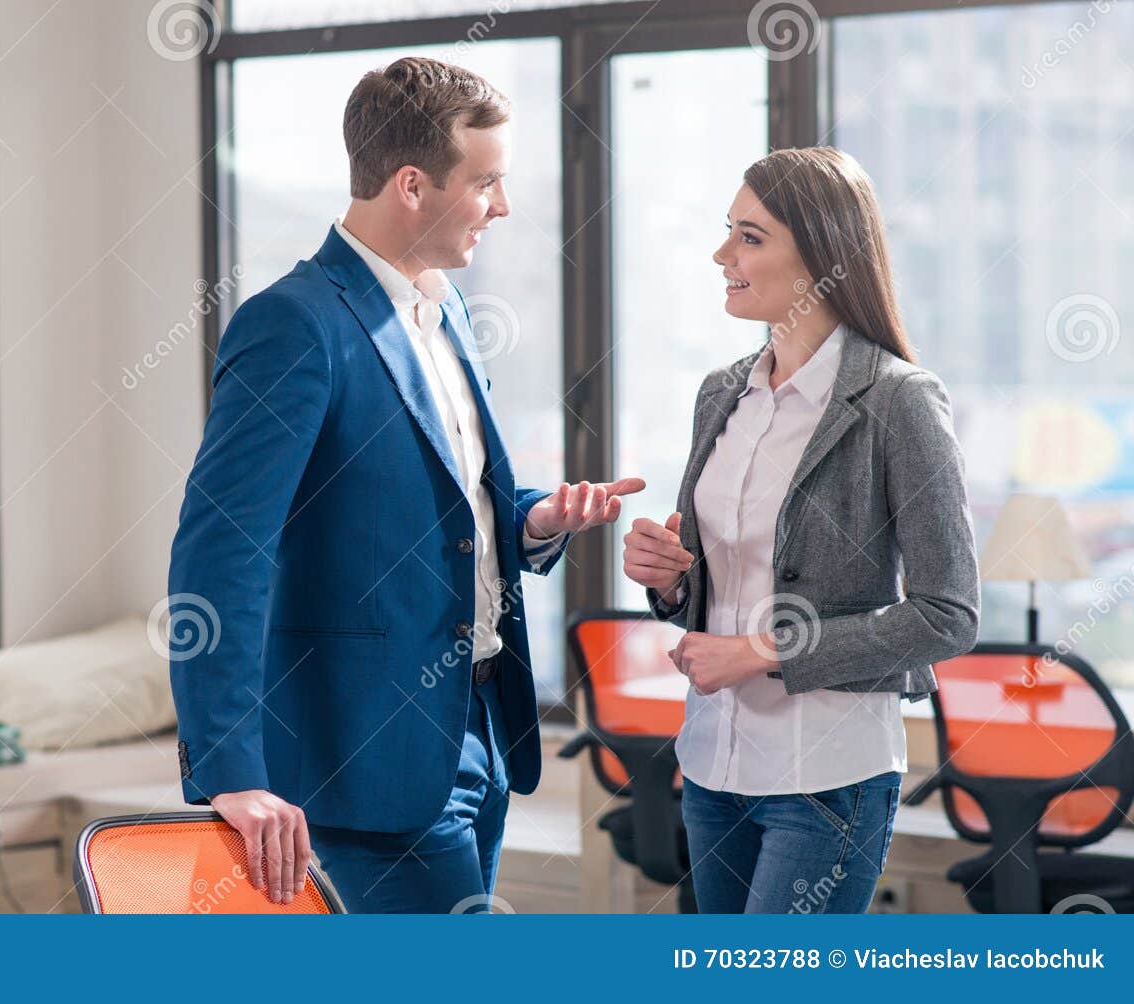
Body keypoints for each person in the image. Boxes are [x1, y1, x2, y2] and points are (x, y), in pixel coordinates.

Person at [167, 56, 643, 913]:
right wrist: (229, 770)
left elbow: (434, 507)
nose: (503, 206)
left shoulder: (446, 307)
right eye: (487, 182)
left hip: (481, 732)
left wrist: (533, 521)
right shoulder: (293, 325)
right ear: (412, 185)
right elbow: (219, 554)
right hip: (366, 755)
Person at [622, 146, 979, 914]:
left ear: (820, 257)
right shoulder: (722, 392)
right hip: (713, 767)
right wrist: (673, 578)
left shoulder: (897, 400)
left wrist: (761, 651)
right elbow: (717, 586)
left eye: (750, 238)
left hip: (827, 778)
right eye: (728, 232)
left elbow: (949, 614)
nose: (723, 255)